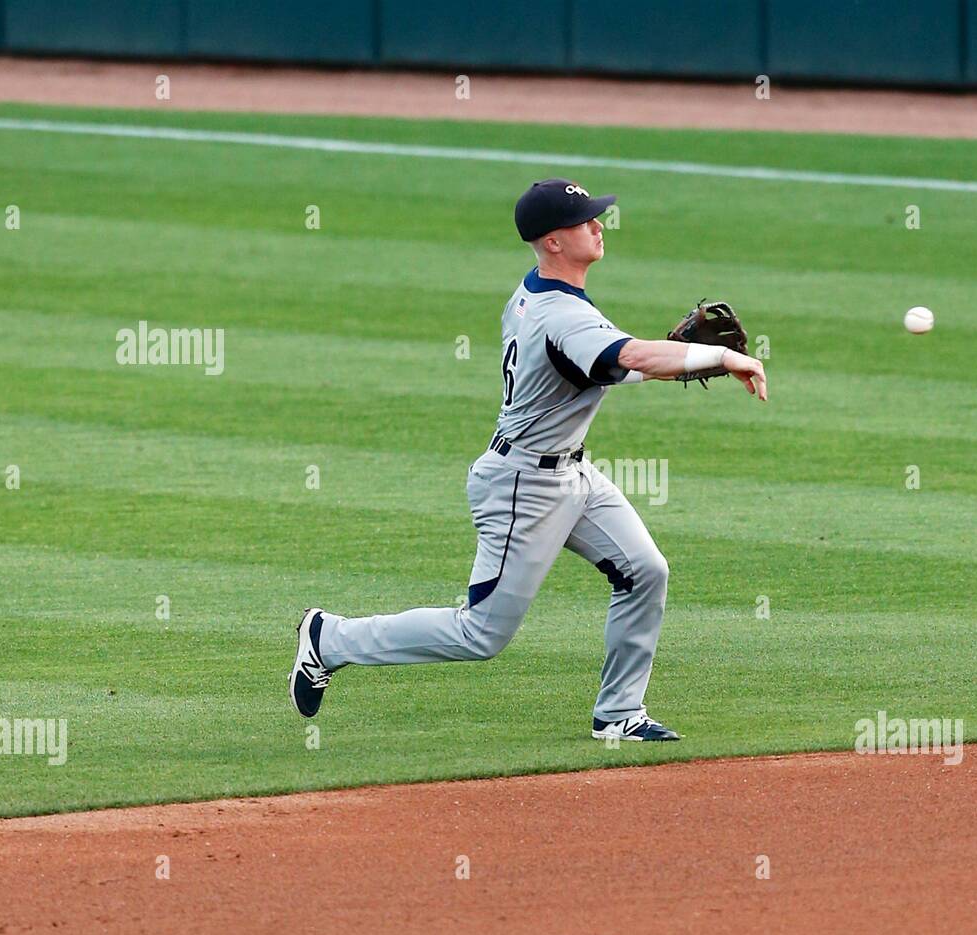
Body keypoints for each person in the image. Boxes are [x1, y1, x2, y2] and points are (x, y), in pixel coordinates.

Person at [290, 178, 767, 741]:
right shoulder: (560, 315)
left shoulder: (538, 293)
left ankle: (619, 714)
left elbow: (602, 366)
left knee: (645, 572)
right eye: (584, 220)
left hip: (572, 474)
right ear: (553, 242)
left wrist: (683, 361)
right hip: (523, 486)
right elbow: (629, 354)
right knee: (481, 634)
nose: (597, 225)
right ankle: (330, 638)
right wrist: (716, 355)